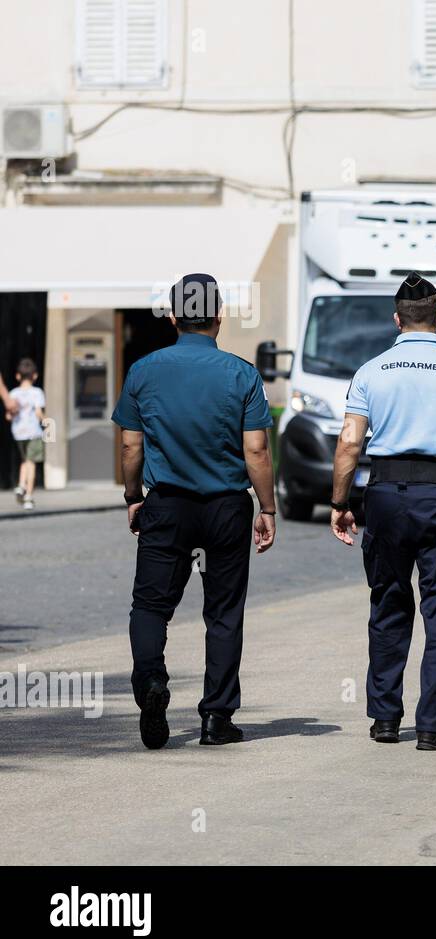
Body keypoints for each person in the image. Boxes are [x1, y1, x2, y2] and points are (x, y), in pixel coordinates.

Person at [330, 272, 436, 752]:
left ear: (396, 318)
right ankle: (432, 726)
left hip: (384, 495)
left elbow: (348, 443)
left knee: (387, 604)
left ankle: (385, 719)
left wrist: (341, 503)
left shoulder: (371, 371)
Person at [111, 274, 277, 750]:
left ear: (173, 317)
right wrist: (266, 507)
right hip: (226, 506)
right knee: (223, 613)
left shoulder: (144, 370)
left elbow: (129, 444)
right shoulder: (242, 373)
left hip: (167, 505)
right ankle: (216, 718)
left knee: (150, 606)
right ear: (219, 318)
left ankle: (151, 685)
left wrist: (132, 497)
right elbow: (257, 452)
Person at [9, 358, 46, 511]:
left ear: (18, 376)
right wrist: (47, 421)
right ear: (35, 376)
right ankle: (29, 496)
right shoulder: (37, 392)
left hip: (18, 432)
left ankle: (20, 485)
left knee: (25, 460)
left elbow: (9, 415)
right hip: (33, 432)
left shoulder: (13, 393)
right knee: (31, 463)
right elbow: (38, 413)